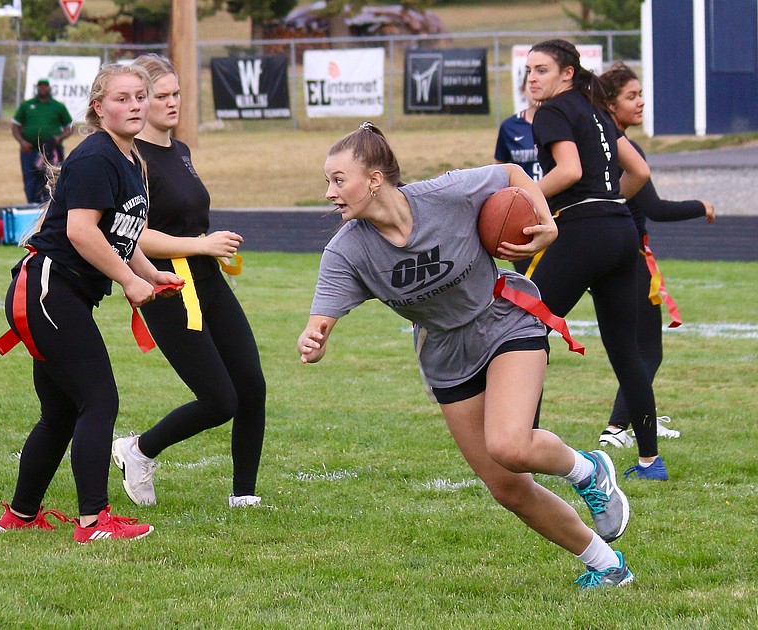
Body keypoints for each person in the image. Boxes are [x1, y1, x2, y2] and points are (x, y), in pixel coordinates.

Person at [298, 122, 634, 589]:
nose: (329, 193)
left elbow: (514, 175)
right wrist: (313, 340)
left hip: (504, 319)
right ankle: (608, 565)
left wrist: (548, 224)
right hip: (445, 352)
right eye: (327, 182)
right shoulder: (347, 250)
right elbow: (320, 322)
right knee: (507, 486)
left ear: (374, 179)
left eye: (338, 179)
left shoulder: (445, 193)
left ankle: (588, 469)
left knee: (510, 445)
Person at [0, 62, 184, 543]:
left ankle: (19, 515)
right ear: (98, 108)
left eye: (141, 96)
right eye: (122, 98)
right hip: (49, 288)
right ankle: (94, 522)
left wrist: (148, 272)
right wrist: (127, 281)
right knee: (99, 399)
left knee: (60, 413)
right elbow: (79, 231)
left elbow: (120, 232)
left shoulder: (129, 155)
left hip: (59, 292)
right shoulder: (98, 154)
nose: (135, 105)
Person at [110, 54, 267, 509]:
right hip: (167, 286)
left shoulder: (180, 150)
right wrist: (201, 245)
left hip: (208, 280)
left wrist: (210, 249)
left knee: (251, 386)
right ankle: (137, 450)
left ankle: (244, 496)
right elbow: (133, 234)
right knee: (219, 400)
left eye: (176, 94)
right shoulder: (133, 161)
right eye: (161, 96)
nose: (172, 102)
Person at [524, 39, 663, 479]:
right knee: (626, 350)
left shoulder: (552, 111)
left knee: (521, 326)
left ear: (567, 73)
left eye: (541, 69)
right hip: (621, 230)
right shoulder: (596, 110)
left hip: (584, 231)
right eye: (528, 70)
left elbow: (568, 173)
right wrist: (605, 204)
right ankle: (649, 461)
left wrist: (513, 198)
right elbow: (639, 172)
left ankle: (523, 443)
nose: (531, 78)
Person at [596, 62, 715, 468]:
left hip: (607, 253)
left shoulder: (595, 144)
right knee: (644, 350)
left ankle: (629, 422)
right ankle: (617, 427)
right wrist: (702, 205)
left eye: (640, 93)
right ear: (610, 104)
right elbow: (654, 209)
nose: (641, 101)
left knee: (634, 346)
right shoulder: (623, 148)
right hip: (626, 256)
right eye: (632, 96)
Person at [494, 76, 541, 275]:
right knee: (528, 278)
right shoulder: (510, 127)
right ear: (523, 90)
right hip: (524, 211)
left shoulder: (562, 126)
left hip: (556, 207)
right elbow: (499, 170)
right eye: (529, 85)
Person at [11, 78, 73, 203]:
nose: (43, 88)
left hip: (51, 150)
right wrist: (22, 142)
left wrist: (59, 137)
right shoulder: (27, 105)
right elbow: (15, 125)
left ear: (49, 88)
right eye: (40, 86)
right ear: (37, 88)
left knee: (53, 178)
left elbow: (70, 126)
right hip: (30, 150)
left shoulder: (58, 106)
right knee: (30, 179)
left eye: (45, 86)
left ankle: (51, 205)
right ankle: (32, 205)